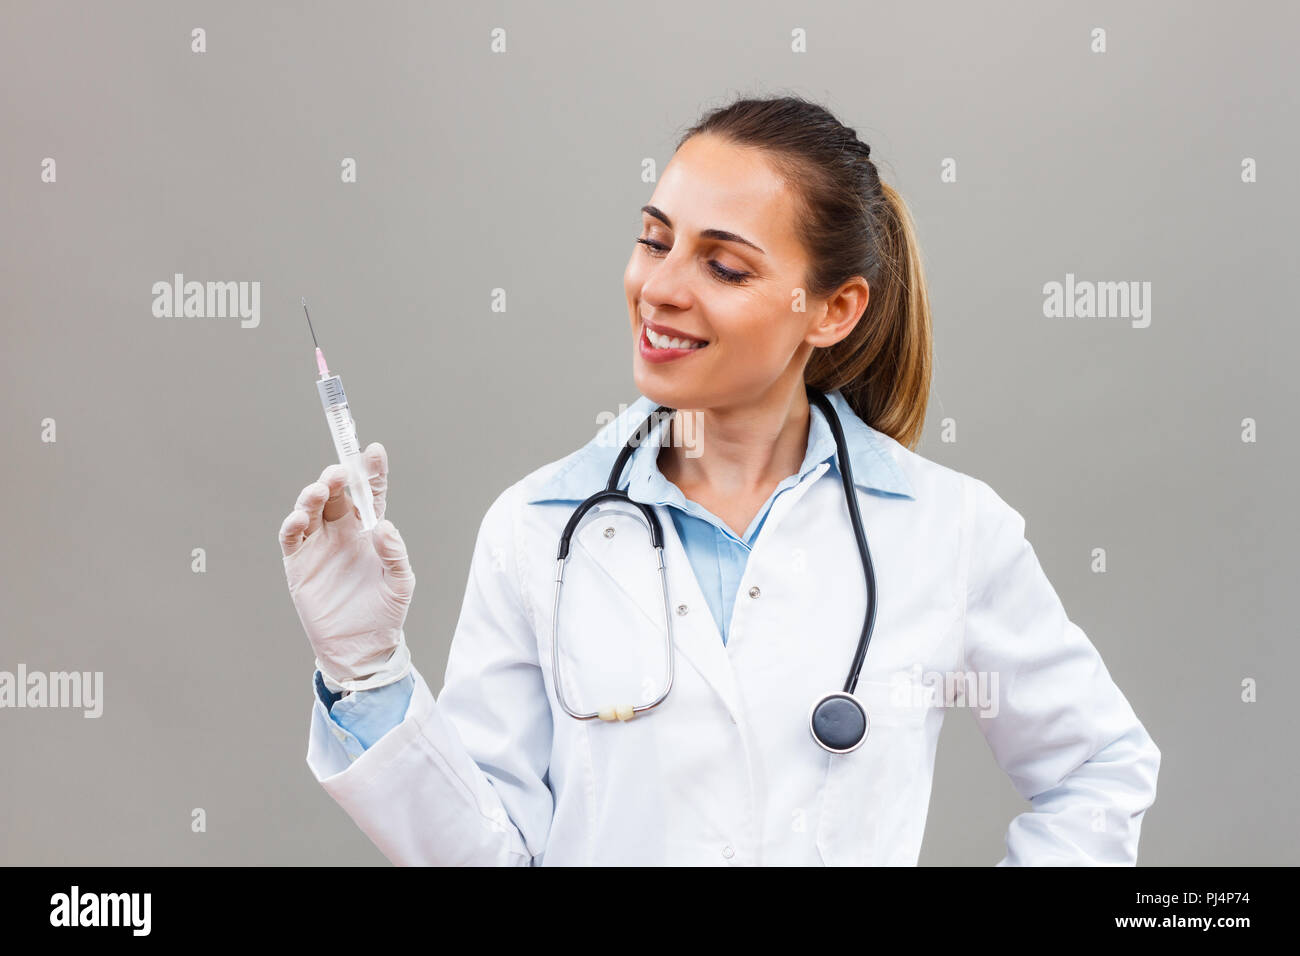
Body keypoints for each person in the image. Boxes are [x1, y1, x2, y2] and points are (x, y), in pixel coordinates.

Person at [279, 93, 1160, 866]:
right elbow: (485, 854)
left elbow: (1096, 770)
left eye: (723, 265)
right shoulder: (538, 529)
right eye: (654, 241)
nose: (660, 288)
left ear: (832, 309)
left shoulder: (949, 530)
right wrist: (367, 675)